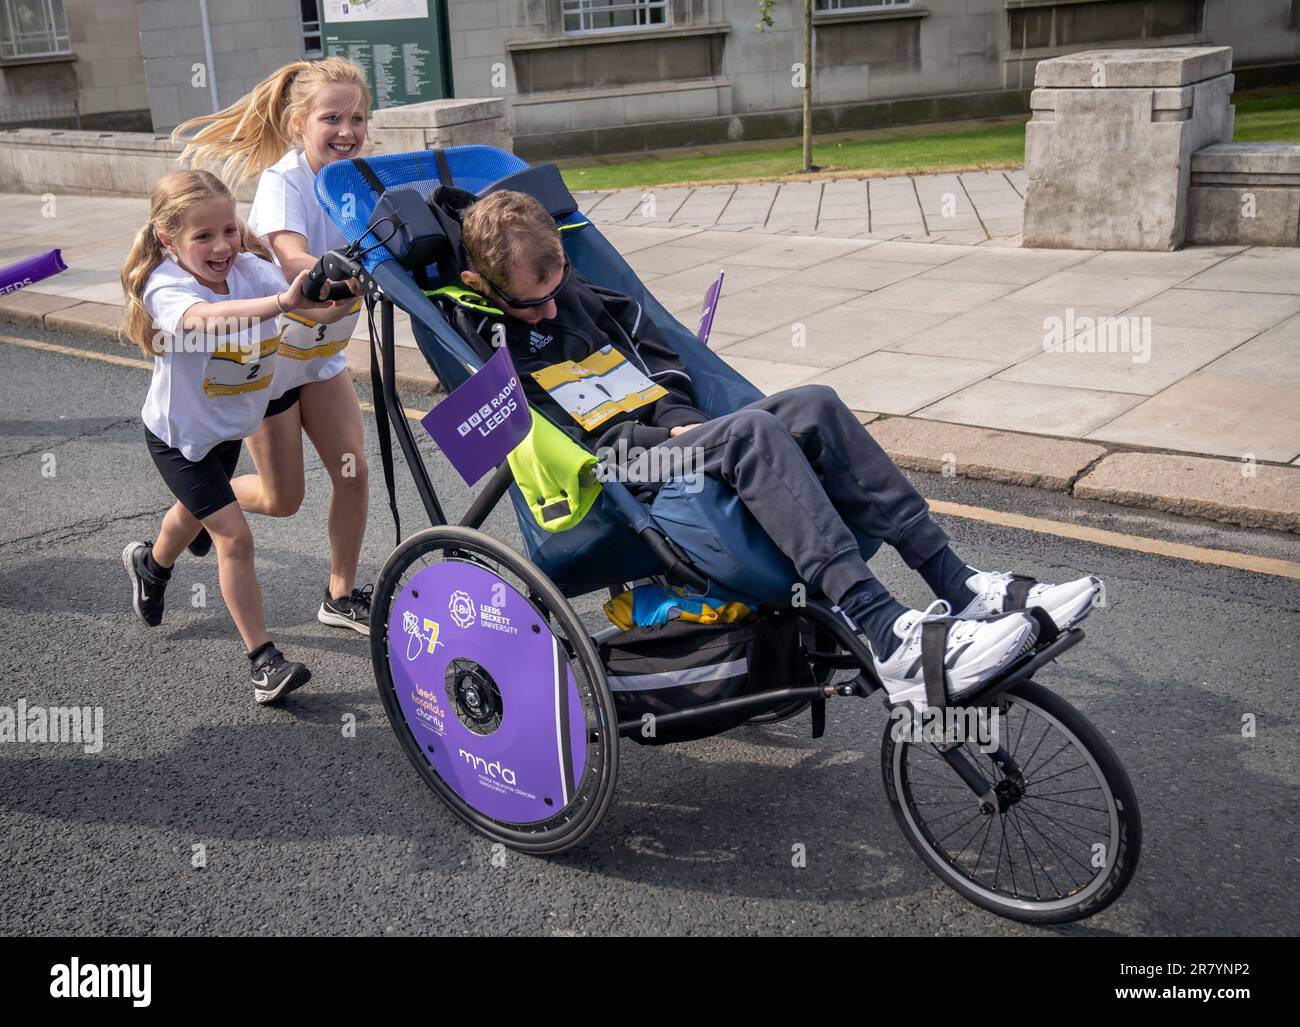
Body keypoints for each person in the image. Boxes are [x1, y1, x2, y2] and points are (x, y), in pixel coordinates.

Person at [439, 190, 1103, 710]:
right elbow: (549, 441)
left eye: (558, 291)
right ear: (482, 282)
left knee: (814, 401)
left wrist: (677, 421)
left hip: (673, 438)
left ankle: (962, 586)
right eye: (532, 305)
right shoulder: (482, 346)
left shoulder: (576, 294)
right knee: (753, 434)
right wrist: (655, 439)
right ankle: (885, 631)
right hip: (611, 470)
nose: (552, 313)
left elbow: (664, 367)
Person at [119, 169, 352, 703]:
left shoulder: (251, 269)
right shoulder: (166, 285)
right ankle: (264, 662)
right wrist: (282, 305)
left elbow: (314, 306)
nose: (223, 245)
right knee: (234, 537)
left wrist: (349, 289)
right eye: (203, 236)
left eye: (228, 229)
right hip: (177, 439)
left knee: (195, 512)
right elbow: (208, 319)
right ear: (167, 239)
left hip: (229, 432)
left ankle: (151, 565)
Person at [171, 57, 373, 635]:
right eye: (331, 117)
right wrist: (341, 276)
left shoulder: (359, 178)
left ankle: (339, 596)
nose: (347, 131)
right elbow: (294, 260)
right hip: (272, 366)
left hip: (322, 358)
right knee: (283, 500)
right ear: (297, 123)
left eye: (357, 118)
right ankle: (169, 540)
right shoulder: (285, 182)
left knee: (352, 471)